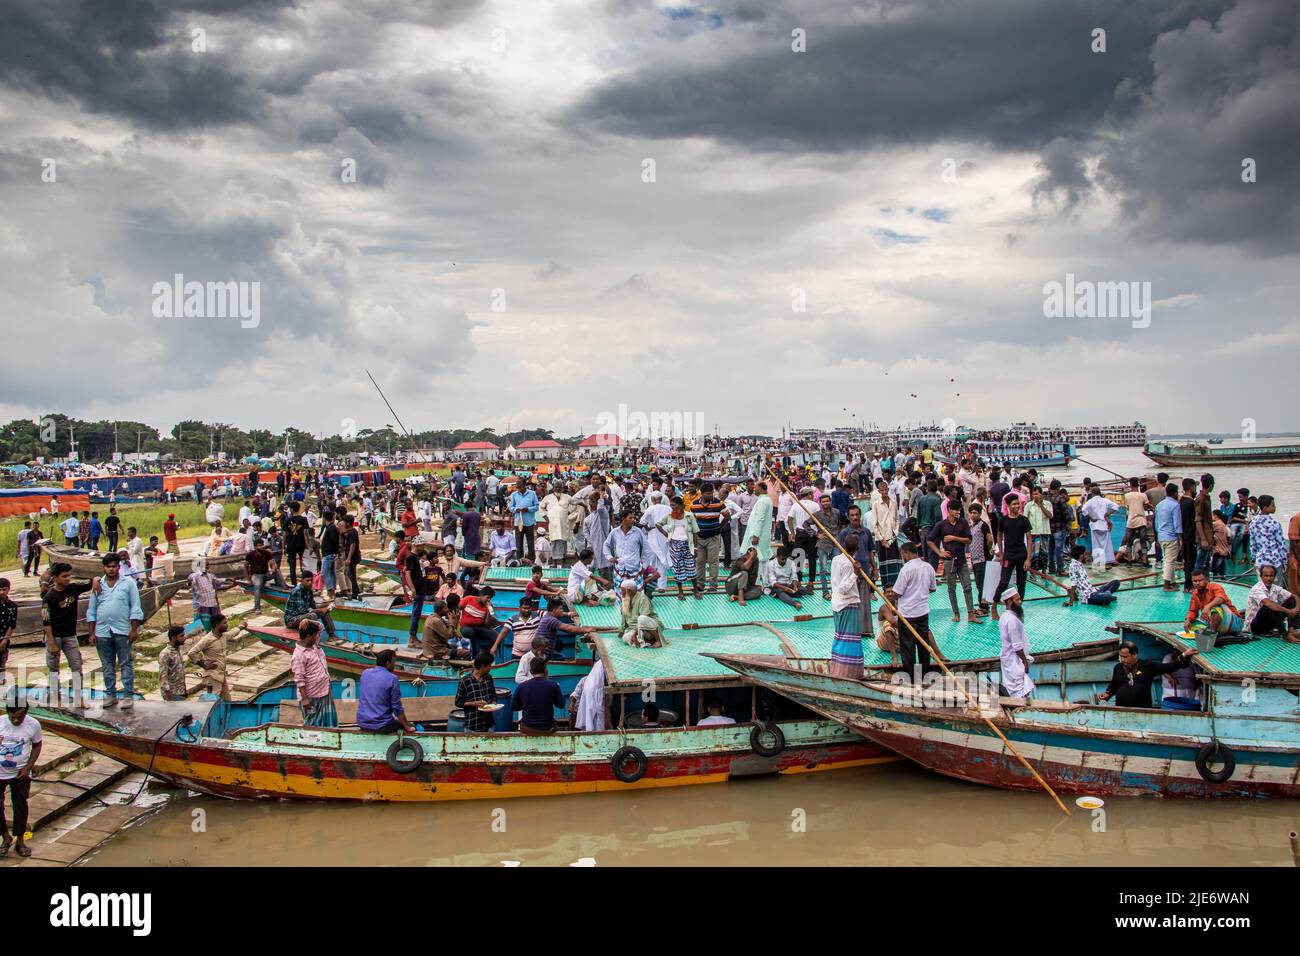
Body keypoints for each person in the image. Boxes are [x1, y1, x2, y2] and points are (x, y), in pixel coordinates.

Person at [87, 553, 143, 710]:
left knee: (126, 663)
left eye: (114, 566)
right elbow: (91, 611)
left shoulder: (128, 583)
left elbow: (135, 607)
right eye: (108, 567)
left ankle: (127, 695)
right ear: (104, 568)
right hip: (102, 631)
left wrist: (134, 629)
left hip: (123, 630)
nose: (111, 569)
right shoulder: (98, 585)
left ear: (119, 567)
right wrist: (91, 633)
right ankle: (110, 694)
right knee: (107, 665)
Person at [41, 562, 92, 707]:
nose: (67, 578)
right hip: (54, 636)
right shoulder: (48, 597)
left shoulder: (73, 589)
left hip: (70, 635)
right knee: (53, 669)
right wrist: (51, 642)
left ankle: (78, 698)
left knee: (77, 666)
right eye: (64, 576)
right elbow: (46, 621)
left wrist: (95, 581)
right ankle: (56, 698)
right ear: (55, 578)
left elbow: (91, 582)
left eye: (69, 575)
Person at [0, 690, 42, 859]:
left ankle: (20, 841)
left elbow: (37, 746)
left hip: (21, 773)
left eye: (20, 717)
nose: (16, 720)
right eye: (13, 717)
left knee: (20, 805)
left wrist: (27, 768)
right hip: (0, 773)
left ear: (25, 712)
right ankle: (5, 837)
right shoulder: (1, 723)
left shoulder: (33, 725)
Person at [887, 541, 938, 678]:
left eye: (903, 554)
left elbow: (897, 592)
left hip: (907, 614)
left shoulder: (906, 570)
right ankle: (925, 674)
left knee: (908, 647)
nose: (902, 556)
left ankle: (911, 676)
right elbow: (932, 588)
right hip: (922, 612)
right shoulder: (928, 567)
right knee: (923, 645)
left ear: (907, 554)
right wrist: (920, 592)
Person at [1099, 641, 1199, 707]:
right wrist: (1107, 694)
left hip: (1142, 710)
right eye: (1121, 656)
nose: (1122, 659)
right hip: (1121, 708)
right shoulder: (1118, 667)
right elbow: (1114, 684)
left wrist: (1184, 655)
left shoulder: (1148, 666)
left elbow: (1169, 667)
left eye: (1125, 657)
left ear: (1134, 655)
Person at [928, 505, 982, 624]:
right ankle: (956, 613)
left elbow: (969, 540)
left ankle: (971, 614)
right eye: (955, 509)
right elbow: (929, 539)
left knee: (967, 587)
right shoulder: (941, 525)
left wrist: (954, 538)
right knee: (951, 588)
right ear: (949, 510)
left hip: (962, 560)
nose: (958, 512)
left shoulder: (963, 523)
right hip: (949, 561)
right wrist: (939, 552)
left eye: (959, 510)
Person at [828, 535, 865, 678]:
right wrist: (855, 574)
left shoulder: (836, 559)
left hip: (837, 604)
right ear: (857, 549)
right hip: (847, 604)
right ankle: (848, 674)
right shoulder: (849, 564)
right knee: (849, 640)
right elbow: (844, 588)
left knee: (840, 637)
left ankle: (838, 670)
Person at [356, 650, 416, 734]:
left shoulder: (365, 673)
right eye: (394, 662)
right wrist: (407, 727)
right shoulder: (392, 678)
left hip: (362, 722)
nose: (394, 665)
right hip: (381, 725)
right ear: (388, 663)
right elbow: (397, 707)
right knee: (412, 726)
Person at [292, 620, 337, 727]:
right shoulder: (298, 655)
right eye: (315, 635)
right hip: (312, 696)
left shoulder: (314, 645)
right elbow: (299, 679)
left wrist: (307, 620)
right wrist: (305, 699)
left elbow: (320, 626)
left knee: (328, 722)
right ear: (308, 636)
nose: (318, 637)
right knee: (313, 724)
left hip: (324, 690)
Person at [994, 494, 1031, 616]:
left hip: (1021, 555)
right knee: (1004, 582)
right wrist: (1001, 553)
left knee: (1021, 583)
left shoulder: (1024, 520)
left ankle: (1018, 606)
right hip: (1008, 556)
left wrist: (1028, 558)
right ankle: (994, 605)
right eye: (1014, 504)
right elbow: (999, 536)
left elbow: (1029, 538)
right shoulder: (1003, 520)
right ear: (1008, 506)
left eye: (1017, 503)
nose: (1016, 506)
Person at [656, 499, 699, 601]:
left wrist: (696, 547)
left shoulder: (689, 516)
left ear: (680, 505)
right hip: (674, 545)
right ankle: (680, 591)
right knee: (678, 568)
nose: (672, 507)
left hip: (687, 545)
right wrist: (666, 534)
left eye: (674, 505)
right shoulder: (670, 516)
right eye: (671, 505)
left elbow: (695, 532)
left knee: (691, 567)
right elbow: (658, 524)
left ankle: (696, 590)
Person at [511, 655, 566, 734]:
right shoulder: (553, 685)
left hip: (527, 728)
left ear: (531, 671)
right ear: (545, 670)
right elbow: (561, 705)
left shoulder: (522, 686)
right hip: (547, 728)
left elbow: (514, 707)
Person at [997, 589, 1035, 698]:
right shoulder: (1012, 620)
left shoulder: (1005, 616)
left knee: (1015, 688)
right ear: (1009, 601)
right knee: (1019, 691)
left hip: (1008, 658)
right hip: (1014, 660)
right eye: (1017, 600)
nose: (1020, 601)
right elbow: (1017, 646)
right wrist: (1024, 661)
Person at [1243, 565, 1298, 638]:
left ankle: (1292, 630)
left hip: (1268, 624)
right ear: (1261, 576)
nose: (1268, 578)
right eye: (1266, 576)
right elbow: (1268, 604)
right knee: (1269, 606)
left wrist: (1296, 609)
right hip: (1255, 626)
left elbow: (1295, 596)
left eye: (1271, 576)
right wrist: (1289, 611)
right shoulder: (1256, 589)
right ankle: (1285, 634)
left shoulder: (1275, 588)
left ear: (1274, 577)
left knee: (1291, 600)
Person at [186, 612, 232, 699]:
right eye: (225, 623)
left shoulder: (224, 636)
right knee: (213, 701)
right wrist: (203, 665)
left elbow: (233, 633)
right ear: (217, 625)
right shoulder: (207, 639)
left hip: (221, 675)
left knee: (227, 700)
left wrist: (241, 627)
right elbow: (191, 653)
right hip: (212, 676)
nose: (227, 625)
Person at [1185, 568, 1243, 636]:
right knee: (1192, 625)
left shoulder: (1215, 586)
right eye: (1195, 581)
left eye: (1200, 580)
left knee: (1216, 608)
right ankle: (1212, 631)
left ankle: (1211, 634)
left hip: (1234, 623)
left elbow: (1221, 598)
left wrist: (1208, 606)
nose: (1197, 583)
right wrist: (1188, 620)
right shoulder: (1195, 593)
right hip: (1213, 623)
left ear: (1207, 580)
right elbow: (1193, 610)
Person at [454, 651, 498, 733]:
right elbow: (458, 702)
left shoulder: (488, 678)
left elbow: (493, 695)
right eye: (489, 666)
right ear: (482, 666)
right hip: (472, 726)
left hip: (489, 725)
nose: (490, 668)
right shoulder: (465, 681)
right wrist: (474, 703)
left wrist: (494, 702)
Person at [1154, 481, 1183, 590]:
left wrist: (1157, 535)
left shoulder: (1159, 505)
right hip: (1171, 537)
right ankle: (1166, 585)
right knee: (1170, 561)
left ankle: (1172, 581)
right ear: (1175, 493)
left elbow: (1156, 522)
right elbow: (1177, 523)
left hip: (1161, 536)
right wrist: (1180, 538)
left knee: (1168, 559)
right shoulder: (1175, 505)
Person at [618, 579, 663, 646]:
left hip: (649, 628)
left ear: (629, 591)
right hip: (635, 630)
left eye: (623, 590)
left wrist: (634, 634)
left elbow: (644, 619)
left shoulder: (643, 598)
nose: (621, 593)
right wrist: (622, 631)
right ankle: (648, 642)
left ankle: (658, 640)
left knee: (642, 618)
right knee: (626, 637)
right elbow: (624, 618)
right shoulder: (625, 599)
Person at [508, 480, 540, 562]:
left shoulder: (532, 493)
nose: (519, 488)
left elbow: (536, 507)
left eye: (520, 486)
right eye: (517, 486)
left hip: (529, 522)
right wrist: (515, 509)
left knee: (530, 543)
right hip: (518, 522)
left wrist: (528, 509)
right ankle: (520, 561)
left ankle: (531, 561)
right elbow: (510, 507)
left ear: (525, 485)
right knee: (518, 544)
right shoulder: (514, 494)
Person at [158, 625, 188, 701]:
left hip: (181, 692)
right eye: (181, 636)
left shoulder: (179, 650)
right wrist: (168, 696)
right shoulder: (165, 654)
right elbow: (163, 677)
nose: (185, 638)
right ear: (173, 638)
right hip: (172, 694)